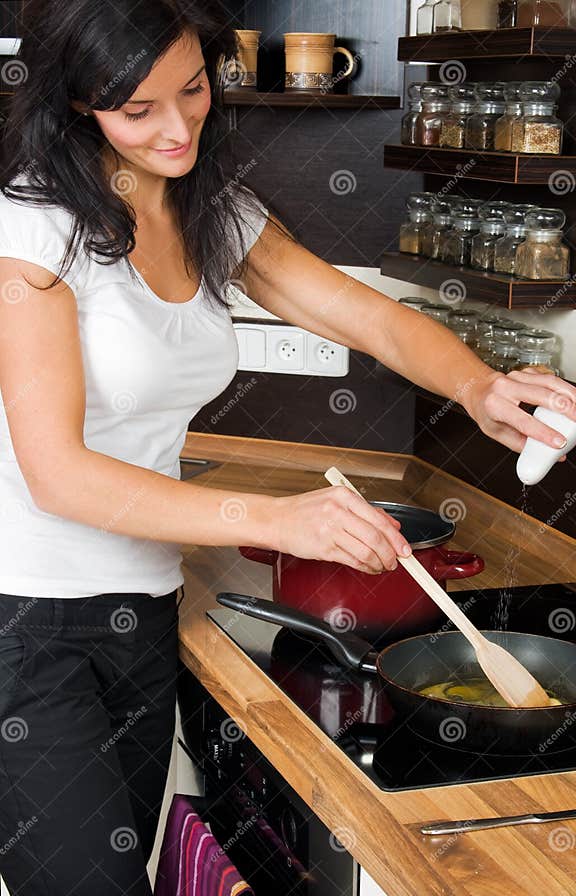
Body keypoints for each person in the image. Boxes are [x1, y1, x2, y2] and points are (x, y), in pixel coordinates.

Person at [0, 1, 574, 893]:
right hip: (27, 619)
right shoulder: (31, 232)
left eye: (191, 91)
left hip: (144, 603)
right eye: (136, 108)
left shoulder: (209, 212)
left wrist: (478, 386)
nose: (177, 125)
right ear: (79, 105)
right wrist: (279, 517)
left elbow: (365, 314)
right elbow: (57, 474)